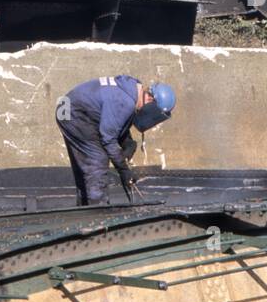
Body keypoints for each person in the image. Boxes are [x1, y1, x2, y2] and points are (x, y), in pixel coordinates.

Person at [55, 75, 176, 206]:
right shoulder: (125, 101)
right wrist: (123, 170)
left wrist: (126, 141)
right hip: (72, 113)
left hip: (67, 107)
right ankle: (97, 211)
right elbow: (108, 140)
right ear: (149, 99)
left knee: (85, 165)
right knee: (97, 159)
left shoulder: (132, 90)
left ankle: (84, 206)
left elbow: (112, 119)